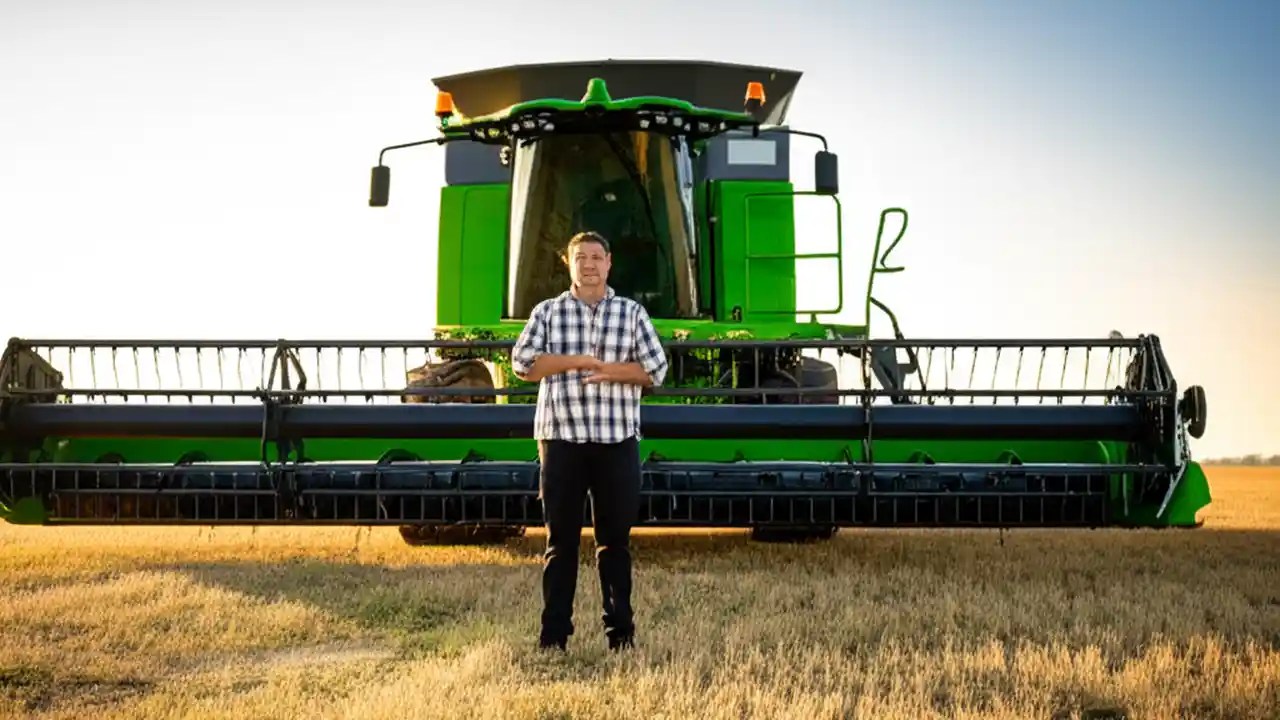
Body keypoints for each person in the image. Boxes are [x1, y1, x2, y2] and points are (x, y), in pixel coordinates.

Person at [509, 230, 669, 653]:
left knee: (614, 542)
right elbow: (523, 365)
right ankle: (553, 636)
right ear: (569, 263)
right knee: (559, 542)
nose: (590, 264)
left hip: (616, 442)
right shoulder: (547, 313)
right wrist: (579, 361)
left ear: (609, 262)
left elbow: (656, 370)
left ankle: (621, 634)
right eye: (581, 257)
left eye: (597, 256)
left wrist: (608, 372)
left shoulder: (631, 313)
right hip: (561, 441)